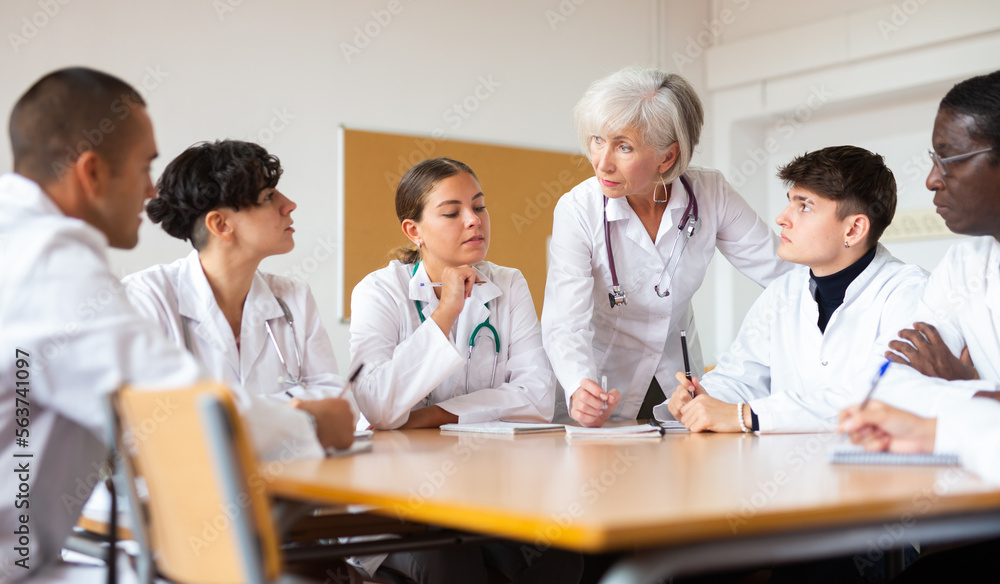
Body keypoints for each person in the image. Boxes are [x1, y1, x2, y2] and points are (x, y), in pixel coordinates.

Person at [0, 68, 351, 581]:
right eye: (144, 167)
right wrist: (312, 423)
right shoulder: (48, 262)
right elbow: (183, 413)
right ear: (91, 172)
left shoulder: (24, 246)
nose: (150, 190)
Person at [348, 157, 579, 584]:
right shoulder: (380, 292)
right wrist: (448, 309)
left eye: (480, 206)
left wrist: (436, 415)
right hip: (404, 500)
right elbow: (378, 406)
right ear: (413, 231)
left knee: (565, 557)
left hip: (489, 489)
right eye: (452, 212)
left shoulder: (507, 284)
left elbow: (536, 396)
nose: (474, 221)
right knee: (453, 565)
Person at [541, 66, 790, 428]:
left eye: (623, 146)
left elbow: (782, 270)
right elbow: (566, 321)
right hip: (601, 382)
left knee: (683, 478)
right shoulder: (578, 209)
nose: (601, 161)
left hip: (677, 383)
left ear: (668, 157)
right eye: (597, 139)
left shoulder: (710, 193)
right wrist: (580, 385)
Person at [839, 69, 1000, 583]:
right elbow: (884, 388)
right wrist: (983, 399)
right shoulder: (964, 265)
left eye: (948, 159)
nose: (931, 179)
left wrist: (961, 388)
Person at [660, 146, 928, 433]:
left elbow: (877, 395)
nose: (782, 218)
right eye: (790, 202)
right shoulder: (782, 293)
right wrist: (703, 397)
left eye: (804, 206)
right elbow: (739, 377)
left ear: (853, 230)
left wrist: (745, 416)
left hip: (874, 470)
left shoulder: (910, 293)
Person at [121, 140, 358, 412]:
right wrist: (298, 414)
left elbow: (339, 404)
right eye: (268, 197)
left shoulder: (292, 297)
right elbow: (158, 419)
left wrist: (233, 413)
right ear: (221, 225)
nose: (289, 205)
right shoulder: (145, 298)